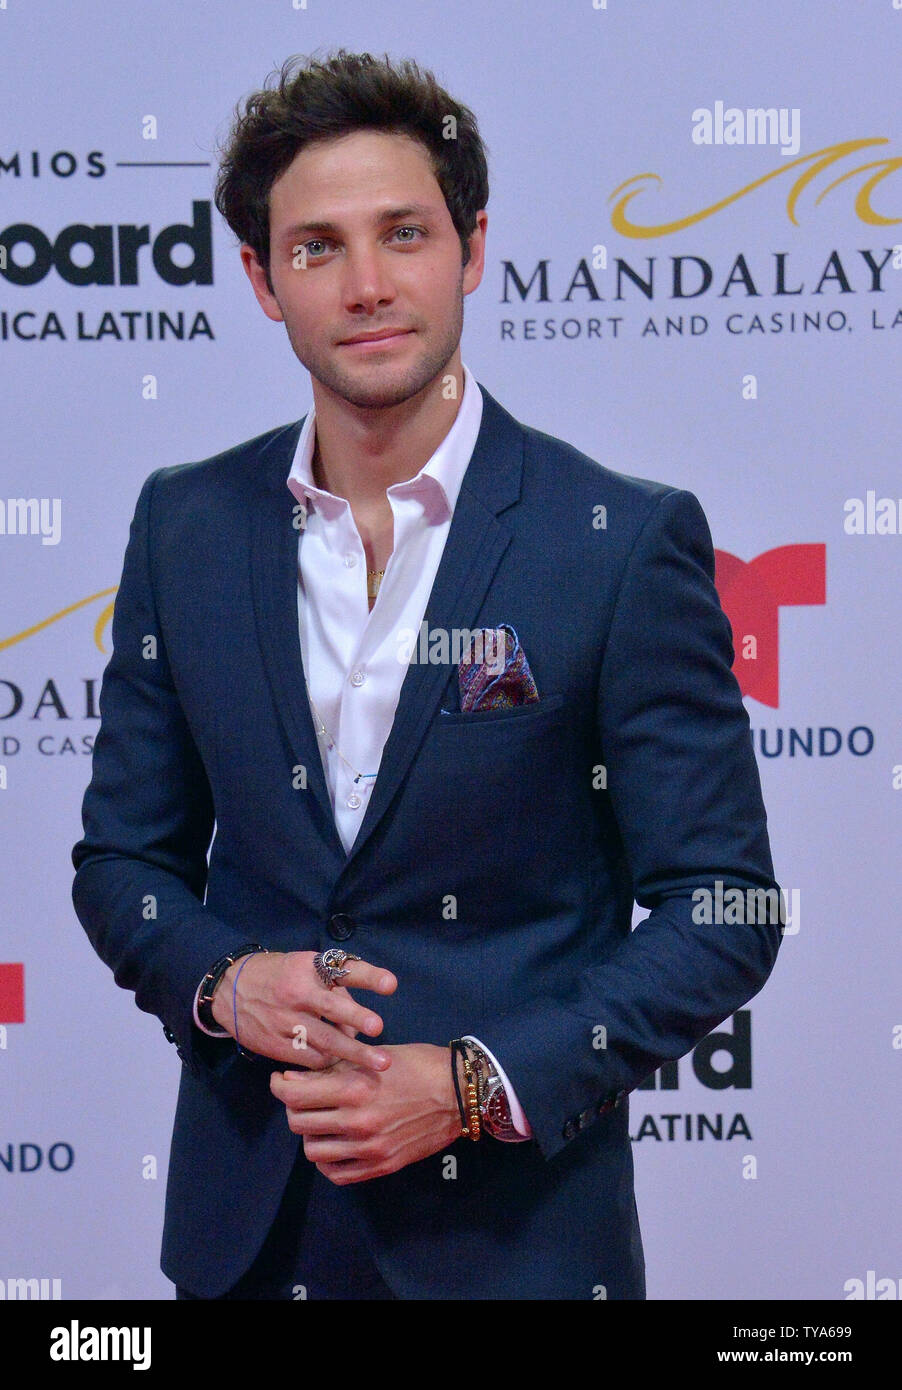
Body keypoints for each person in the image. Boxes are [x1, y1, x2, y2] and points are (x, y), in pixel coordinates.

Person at [71, 49, 783, 1301]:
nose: (365, 285)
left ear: (471, 246)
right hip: (247, 1240)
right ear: (259, 279)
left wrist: (471, 1083)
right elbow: (123, 862)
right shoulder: (183, 524)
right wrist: (224, 984)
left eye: (403, 233)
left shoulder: (612, 540)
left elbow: (720, 910)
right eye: (315, 248)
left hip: (514, 1253)